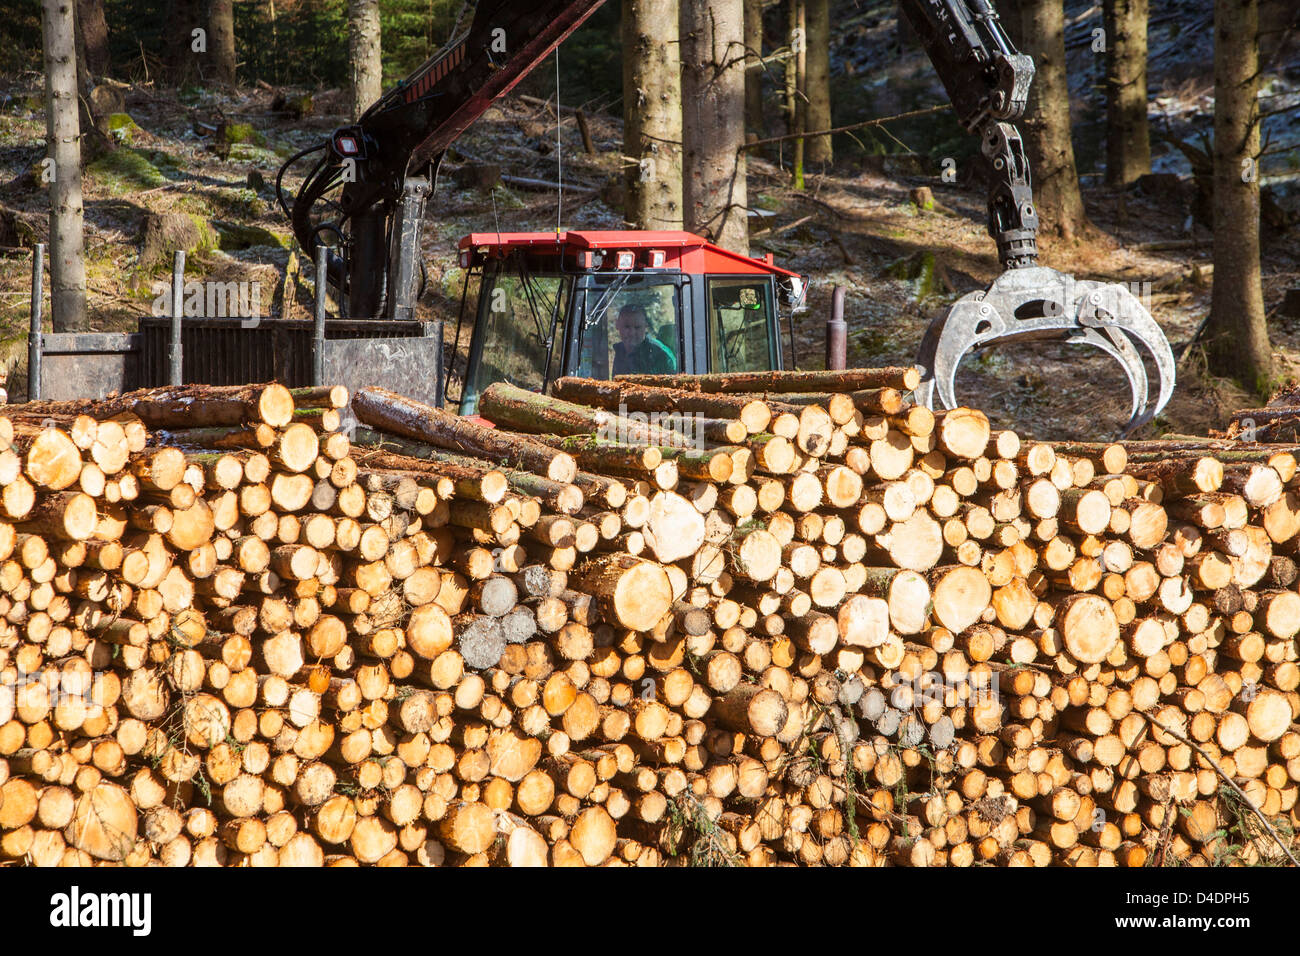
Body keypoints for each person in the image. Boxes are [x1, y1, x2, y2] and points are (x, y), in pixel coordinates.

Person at [612, 304, 676, 375]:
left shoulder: (661, 355)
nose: (632, 333)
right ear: (617, 325)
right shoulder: (620, 351)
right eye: (627, 327)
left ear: (646, 327)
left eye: (637, 327)